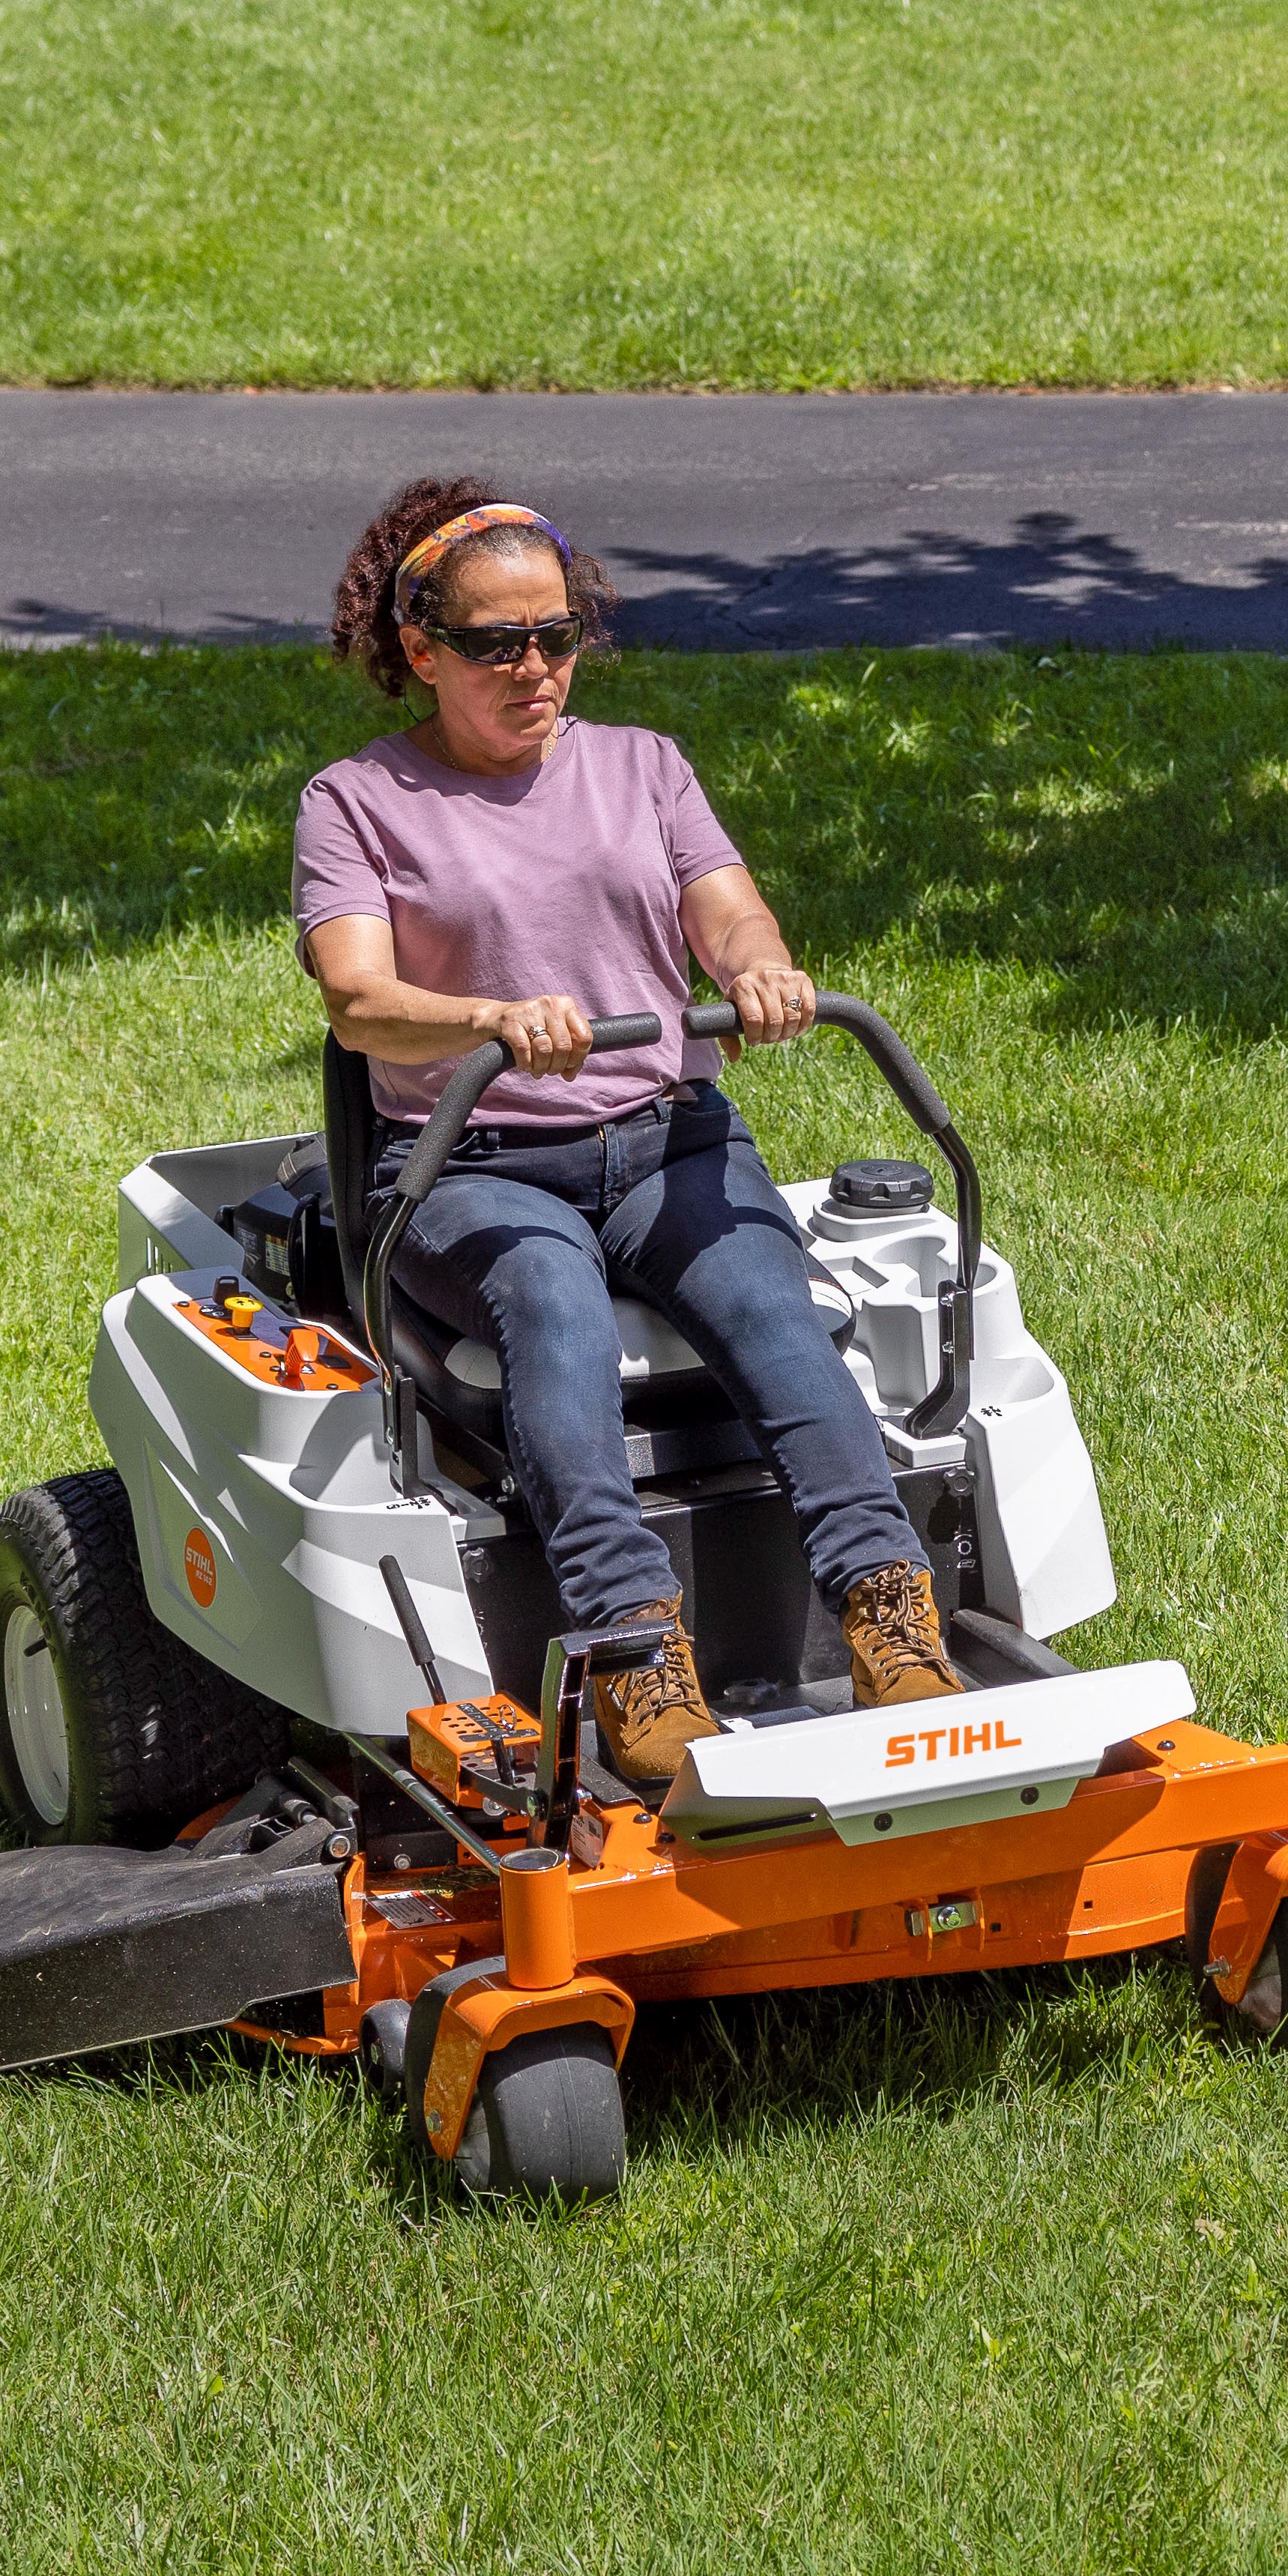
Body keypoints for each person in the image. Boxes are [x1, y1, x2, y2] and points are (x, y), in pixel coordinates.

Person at [292, 474, 960, 1796]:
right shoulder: (355, 803)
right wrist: (493, 1017)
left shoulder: (644, 765)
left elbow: (729, 911)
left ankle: (894, 1615)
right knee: (551, 1308)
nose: (535, 668)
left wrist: (763, 970)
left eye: (558, 636)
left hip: (666, 1141)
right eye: (495, 644)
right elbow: (359, 1000)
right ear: (419, 651)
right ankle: (633, 1647)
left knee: (776, 1308)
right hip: (474, 1162)